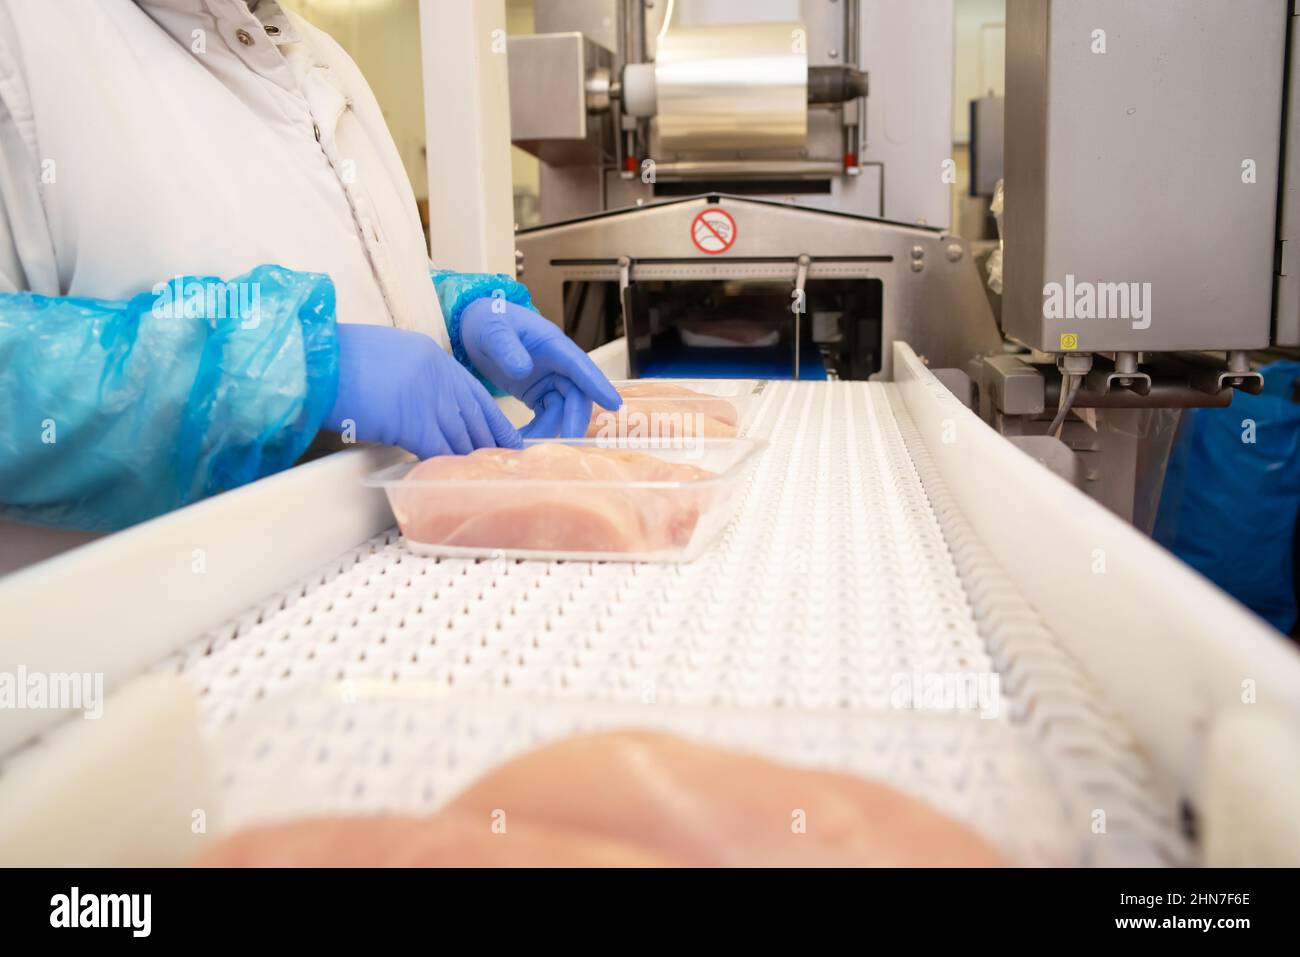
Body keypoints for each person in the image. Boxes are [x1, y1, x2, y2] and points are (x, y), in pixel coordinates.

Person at [0, 0, 620, 533]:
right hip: (138, 646)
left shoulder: (313, 53)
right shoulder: (26, 38)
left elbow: (339, 276)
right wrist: (298, 369)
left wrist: (454, 317)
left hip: (353, 607)